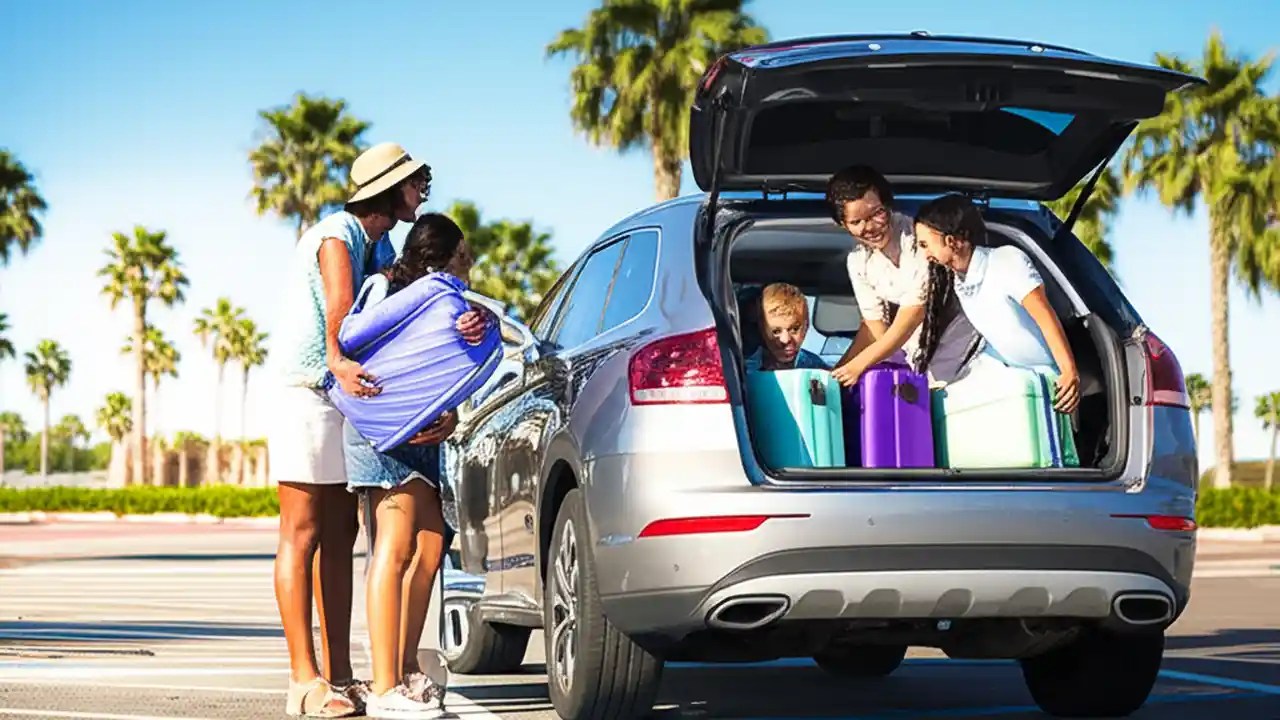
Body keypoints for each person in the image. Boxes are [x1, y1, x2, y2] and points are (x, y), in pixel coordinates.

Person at [269, 142, 486, 718]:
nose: (421, 192)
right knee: (303, 531)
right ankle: (303, 679)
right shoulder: (337, 233)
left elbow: (403, 317)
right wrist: (339, 361)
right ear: (387, 190)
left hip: (355, 398)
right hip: (311, 390)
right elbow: (342, 311)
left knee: (340, 536)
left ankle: (341, 676)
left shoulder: (384, 245)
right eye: (414, 184)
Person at [342, 213, 476, 718]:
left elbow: (445, 371)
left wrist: (452, 415)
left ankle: (403, 668)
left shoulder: (448, 307)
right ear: (434, 260)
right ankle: (383, 686)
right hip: (384, 430)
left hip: (425, 434)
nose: (468, 269)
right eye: (462, 259)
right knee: (394, 547)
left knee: (430, 546)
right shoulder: (382, 288)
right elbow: (361, 347)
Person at [913, 193, 1081, 414]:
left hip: (1044, 380)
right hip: (1007, 376)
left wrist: (1069, 371)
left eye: (925, 244)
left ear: (951, 241)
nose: (924, 254)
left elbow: (1044, 316)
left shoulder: (1006, 260)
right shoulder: (957, 281)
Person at [824, 165, 979, 387]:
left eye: (876, 213)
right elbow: (874, 326)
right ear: (843, 225)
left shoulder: (919, 239)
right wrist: (834, 378)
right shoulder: (858, 262)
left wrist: (858, 366)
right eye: (856, 222)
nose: (869, 227)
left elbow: (913, 314)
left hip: (966, 349)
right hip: (921, 360)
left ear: (888, 204)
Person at [744, 282, 828, 371]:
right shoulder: (743, 370)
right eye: (776, 331)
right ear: (762, 330)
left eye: (794, 329)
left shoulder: (816, 368)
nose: (785, 339)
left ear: (806, 328)